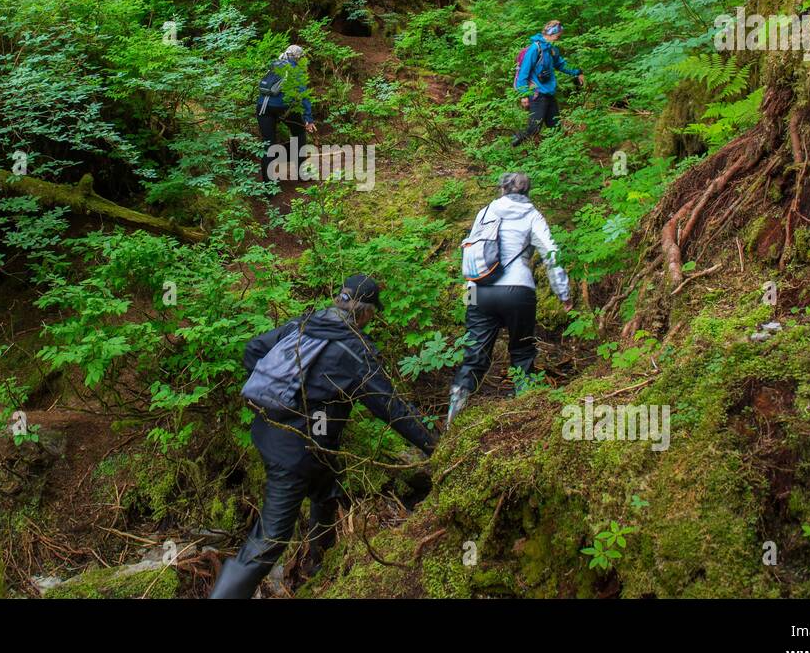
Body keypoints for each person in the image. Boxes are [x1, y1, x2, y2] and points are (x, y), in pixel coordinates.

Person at [209, 275, 438, 598]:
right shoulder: (354, 350)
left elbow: (253, 350)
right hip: (294, 453)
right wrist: (436, 446)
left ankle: (318, 569)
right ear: (366, 313)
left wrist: (284, 398)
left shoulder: (302, 324)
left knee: (326, 489)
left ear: (339, 300)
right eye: (372, 314)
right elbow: (391, 407)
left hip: (282, 436)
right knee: (271, 538)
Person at [448, 173, 571, 426]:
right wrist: (564, 293)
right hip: (518, 291)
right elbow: (551, 253)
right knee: (522, 351)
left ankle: (454, 415)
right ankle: (522, 418)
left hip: (479, 290)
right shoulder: (533, 215)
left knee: (474, 356)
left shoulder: (485, 212)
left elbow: (471, 254)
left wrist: (468, 297)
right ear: (528, 192)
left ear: (502, 190)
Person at [512, 20, 584, 145]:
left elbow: (561, 65)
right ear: (551, 33)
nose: (558, 37)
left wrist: (577, 72)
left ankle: (556, 155)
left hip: (549, 93)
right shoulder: (535, 48)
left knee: (555, 127)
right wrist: (523, 95)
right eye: (558, 35)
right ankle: (511, 145)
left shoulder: (552, 49)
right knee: (534, 128)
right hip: (537, 94)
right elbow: (523, 73)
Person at [256, 43, 317, 182]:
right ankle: (302, 175)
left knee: (268, 144)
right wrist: (308, 119)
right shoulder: (295, 70)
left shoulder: (274, 65)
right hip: (284, 107)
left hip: (263, 107)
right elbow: (303, 95)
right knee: (299, 134)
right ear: (298, 58)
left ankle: (268, 187)